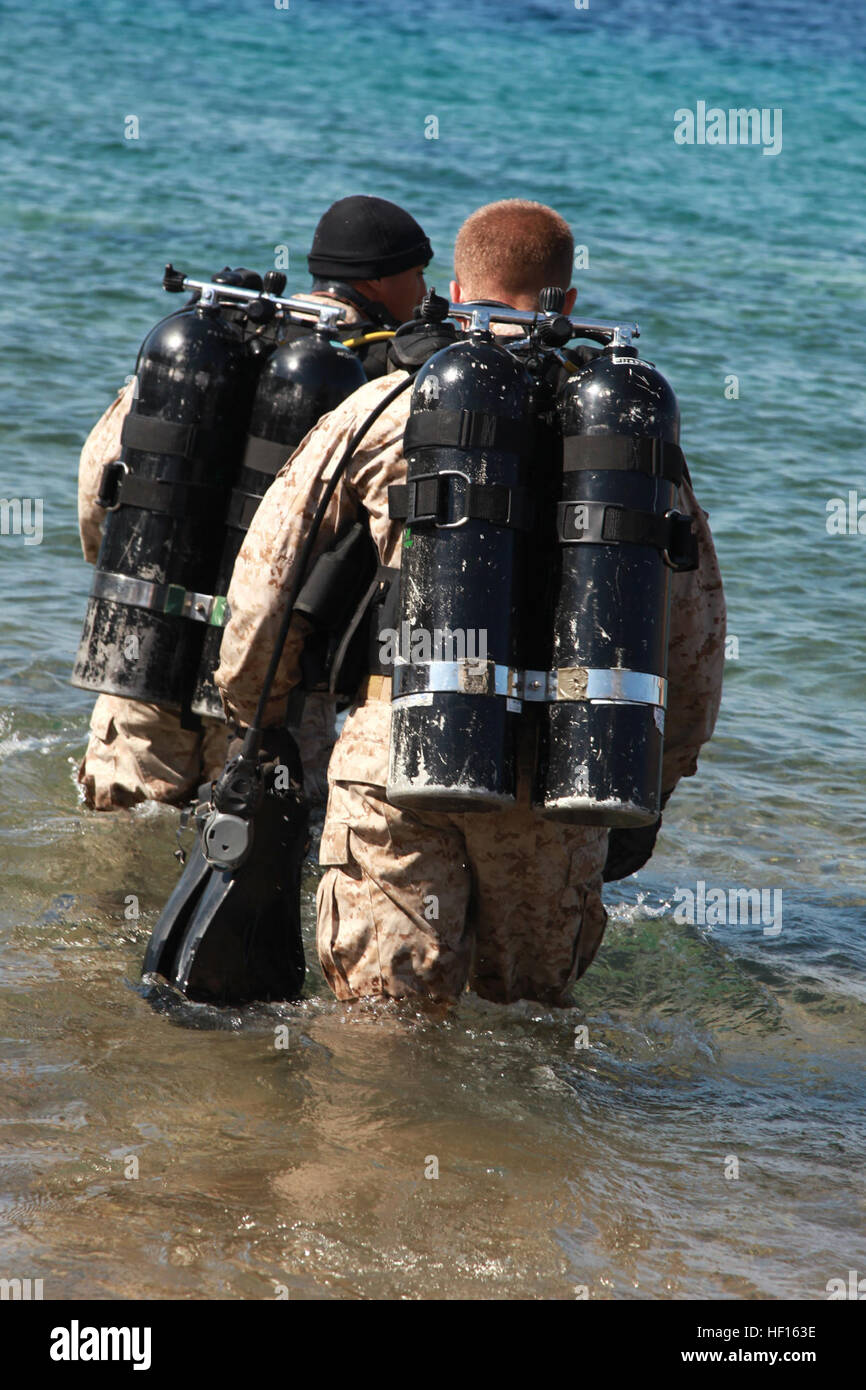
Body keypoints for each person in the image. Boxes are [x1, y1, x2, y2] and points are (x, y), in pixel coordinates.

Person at [215, 198, 726, 1006]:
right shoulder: (629, 439)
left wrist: (264, 722)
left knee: (380, 1040)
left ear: (454, 290)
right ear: (569, 302)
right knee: (527, 1041)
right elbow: (694, 652)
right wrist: (646, 787)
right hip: (563, 782)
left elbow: (265, 588)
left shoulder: (392, 405)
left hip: (396, 757)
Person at [76, 196, 432, 812]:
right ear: (377, 279)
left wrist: (128, 574)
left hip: (144, 647)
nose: (425, 291)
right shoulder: (369, 383)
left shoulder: (226, 339)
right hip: (275, 692)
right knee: (251, 875)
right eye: (418, 274)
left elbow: (100, 474)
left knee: (119, 851)